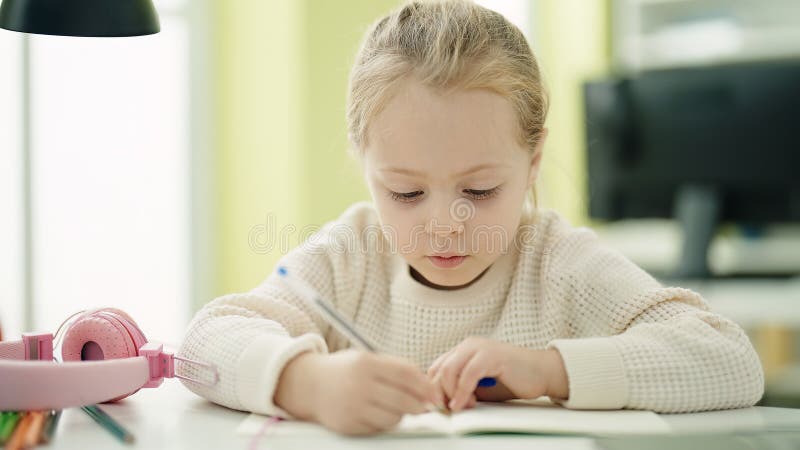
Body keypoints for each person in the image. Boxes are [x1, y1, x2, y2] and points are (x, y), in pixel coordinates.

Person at [178, 0, 764, 435]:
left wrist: (549, 370)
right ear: (363, 161)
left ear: (533, 162)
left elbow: (731, 361)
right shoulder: (348, 256)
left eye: (480, 190)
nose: (444, 225)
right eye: (406, 192)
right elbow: (203, 344)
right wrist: (306, 383)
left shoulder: (557, 263)